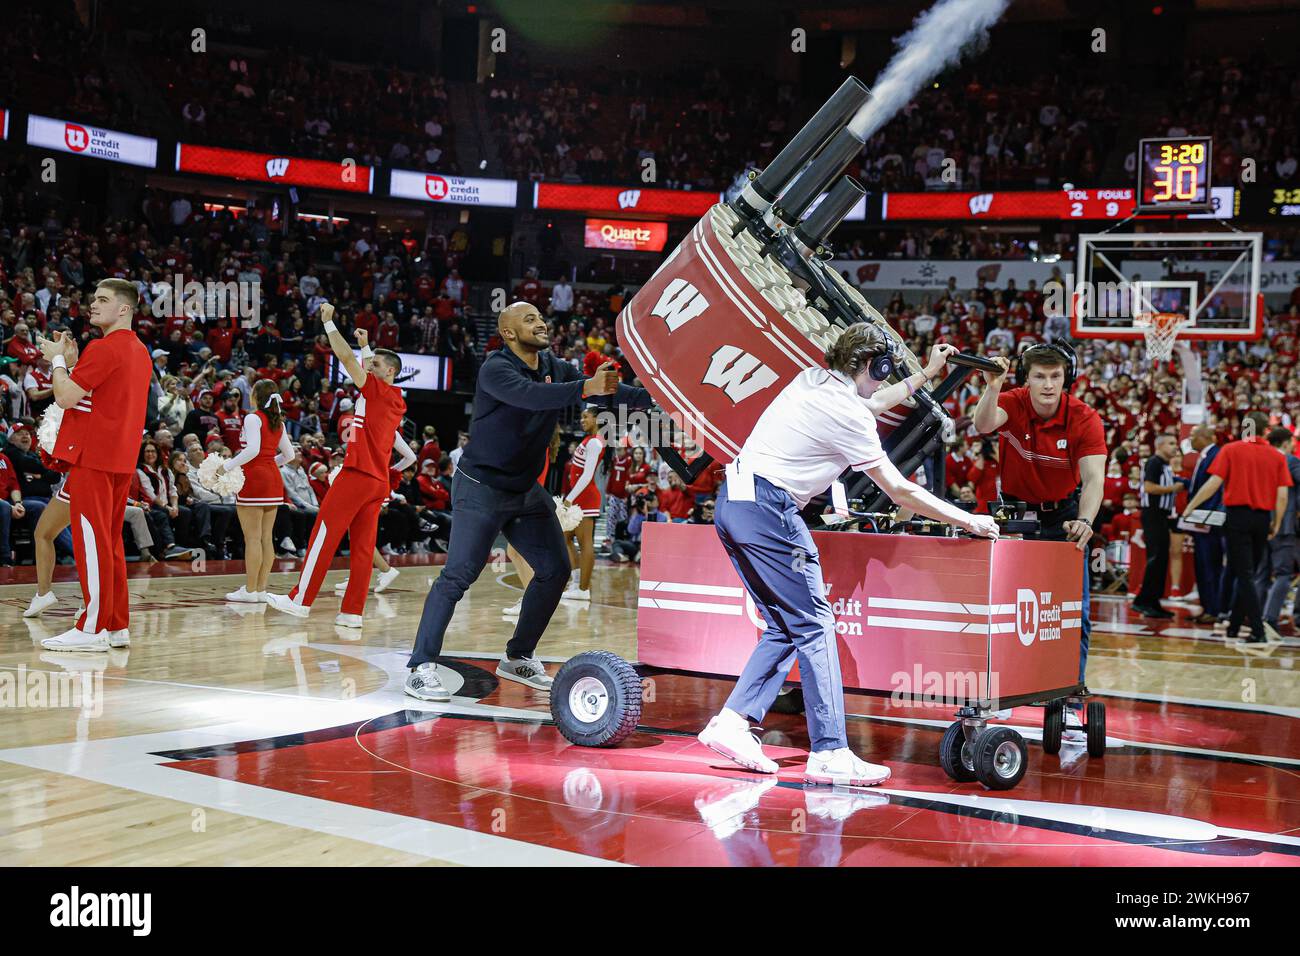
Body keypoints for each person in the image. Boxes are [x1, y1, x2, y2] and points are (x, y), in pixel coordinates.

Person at [698, 326, 999, 786]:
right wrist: (967, 520)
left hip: (733, 504)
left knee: (785, 623)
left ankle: (733, 723)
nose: (883, 381)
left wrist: (927, 375)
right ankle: (830, 751)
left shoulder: (811, 380)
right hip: (768, 509)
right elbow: (899, 488)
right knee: (816, 624)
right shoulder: (847, 411)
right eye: (883, 371)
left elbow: (869, 405)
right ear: (872, 365)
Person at [403, 301, 651, 703]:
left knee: (555, 570)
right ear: (508, 333)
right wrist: (584, 388)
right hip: (481, 487)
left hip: (523, 490)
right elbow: (533, 397)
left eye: (541, 316)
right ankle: (420, 666)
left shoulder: (555, 365)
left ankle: (518, 655)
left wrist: (650, 398)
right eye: (529, 319)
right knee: (458, 576)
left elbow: (602, 389)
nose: (541, 323)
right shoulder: (496, 368)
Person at [971, 342, 1106, 739]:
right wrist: (992, 386)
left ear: (1067, 378)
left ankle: (1071, 692)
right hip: (1015, 515)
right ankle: (1006, 689)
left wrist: (1085, 520)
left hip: (1064, 516)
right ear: (1026, 379)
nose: (1048, 385)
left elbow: (1094, 478)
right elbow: (982, 425)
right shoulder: (1012, 401)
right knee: (1002, 609)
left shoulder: (1083, 417)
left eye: (1055, 376)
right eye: (1039, 377)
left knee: (1074, 609)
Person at [264, 312, 410, 629]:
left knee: (324, 535)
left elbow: (345, 358)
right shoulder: (392, 398)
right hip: (377, 482)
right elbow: (368, 366)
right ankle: (352, 613)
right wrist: (367, 346)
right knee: (361, 548)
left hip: (357, 474)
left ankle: (299, 600)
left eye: (373, 367)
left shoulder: (376, 390)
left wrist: (329, 323)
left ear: (390, 372)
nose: (366, 368)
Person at [38, 279, 152, 651]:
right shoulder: (139, 350)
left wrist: (57, 361)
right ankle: (116, 624)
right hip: (121, 460)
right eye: (93, 299)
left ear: (124, 309)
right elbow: (98, 396)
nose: (93, 305)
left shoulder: (105, 347)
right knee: (109, 544)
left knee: (91, 543)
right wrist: (73, 363)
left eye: (103, 300)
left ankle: (91, 628)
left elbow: (67, 397)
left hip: (94, 458)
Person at [1182, 412, 1292, 643]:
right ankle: (1233, 625)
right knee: (1243, 569)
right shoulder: (1276, 456)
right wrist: (1277, 523)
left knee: (1244, 573)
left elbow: (1214, 483)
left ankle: (1257, 631)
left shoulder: (1230, 450)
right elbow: (1282, 496)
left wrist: (1191, 505)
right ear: (1265, 431)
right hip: (1262, 519)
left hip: (1236, 518)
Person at [222, 379, 294, 602]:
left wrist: (226, 466)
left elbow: (252, 450)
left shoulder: (253, 417)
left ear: (256, 396)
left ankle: (251, 591)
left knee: (252, 538)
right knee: (266, 538)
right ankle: (261, 590)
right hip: (273, 478)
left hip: (254, 478)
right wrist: (269, 462)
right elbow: (289, 455)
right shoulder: (278, 421)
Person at [1132, 434, 1181, 619]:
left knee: (1160, 560)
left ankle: (1153, 601)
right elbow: (1150, 488)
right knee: (1155, 558)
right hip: (1153, 514)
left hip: (1161, 516)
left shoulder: (1164, 464)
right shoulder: (1154, 462)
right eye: (1171, 443)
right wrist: (1173, 489)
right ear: (1159, 445)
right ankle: (1143, 601)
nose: (1175, 447)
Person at [1258, 427, 1300, 632]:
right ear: (1286, 443)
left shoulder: (1259, 459)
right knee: (1284, 573)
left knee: (1261, 573)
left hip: (1258, 522)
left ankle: (1255, 617)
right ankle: (1270, 619)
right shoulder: (1290, 461)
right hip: (1283, 525)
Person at [561, 406, 603, 602]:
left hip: (585, 498)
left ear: (596, 418)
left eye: (586, 416)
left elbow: (587, 475)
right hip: (578, 497)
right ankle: (576, 581)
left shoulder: (595, 442)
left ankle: (583, 589)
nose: (582, 420)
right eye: (581, 416)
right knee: (564, 537)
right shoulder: (589, 440)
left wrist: (570, 497)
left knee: (585, 543)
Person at [1186, 424, 1226, 624]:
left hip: (1208, 521)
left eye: (1192, 435)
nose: (1189, 439)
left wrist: (1207, 516)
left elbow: (1216, 489)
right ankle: (1207, 606)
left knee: (1210, 565)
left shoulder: (1216, 455)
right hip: (1200, 520)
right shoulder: (1203, 456)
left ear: (1205, 437)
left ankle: (1214, 608)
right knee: (1202, 565)